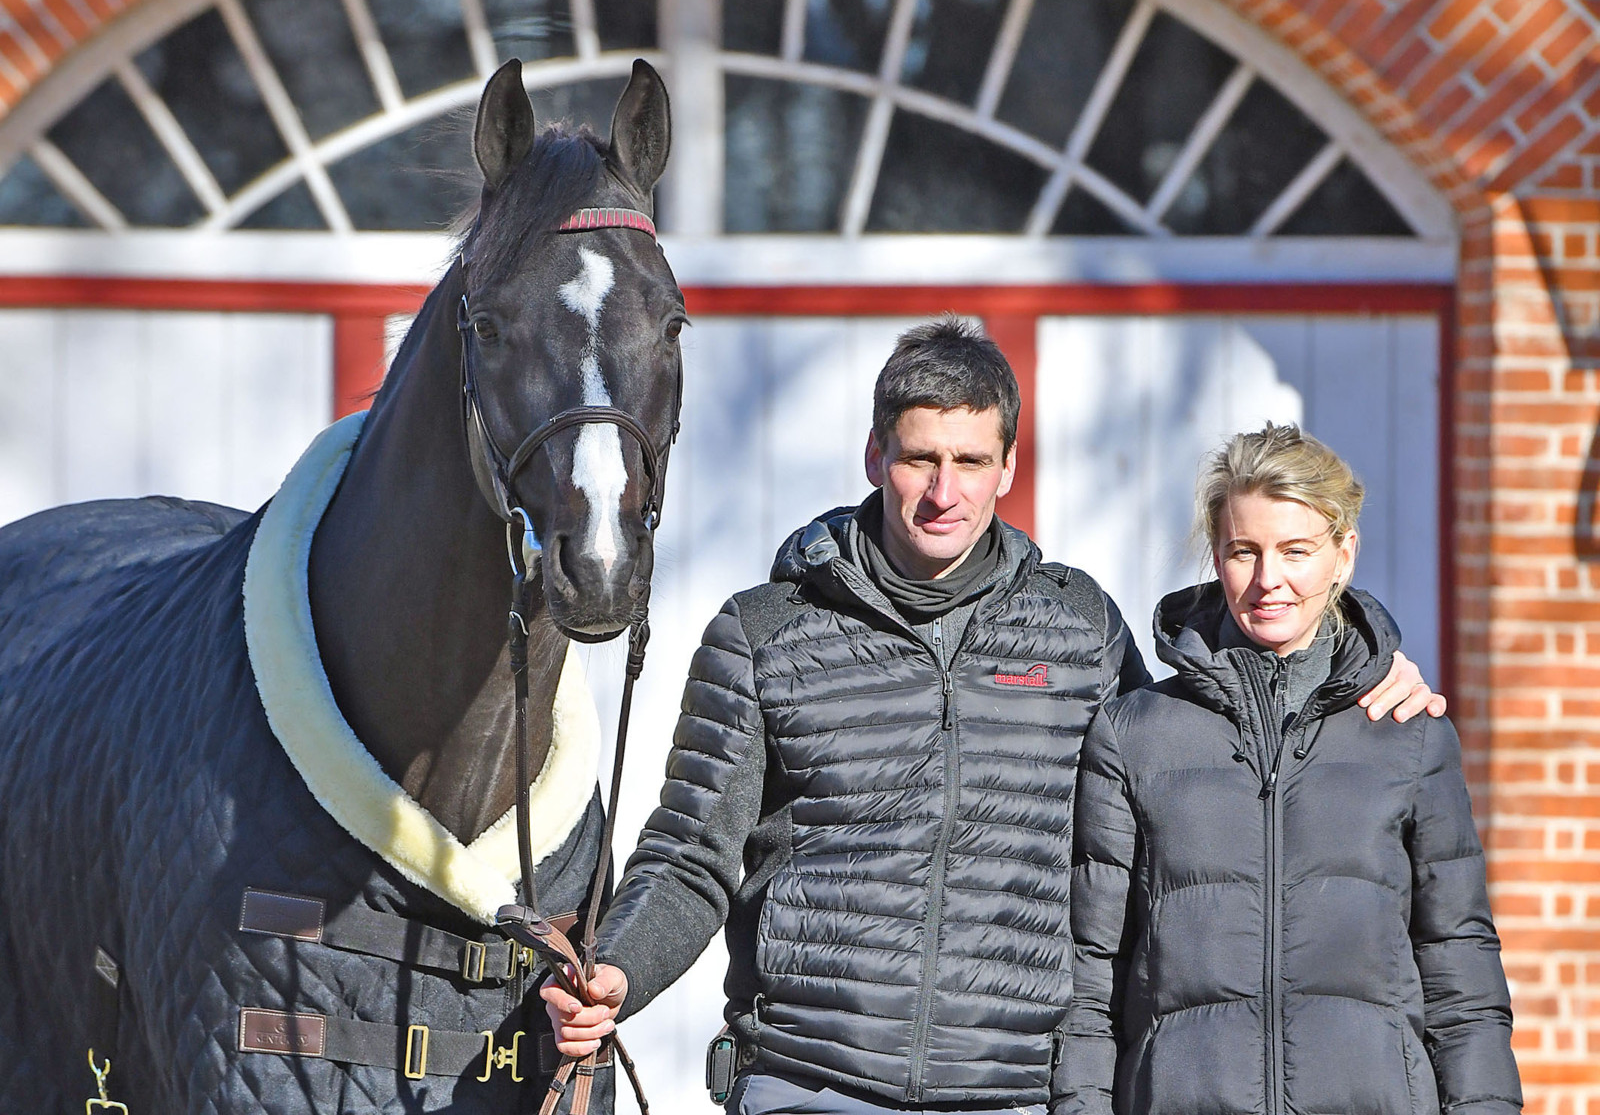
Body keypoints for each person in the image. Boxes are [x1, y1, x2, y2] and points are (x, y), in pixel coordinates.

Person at [546, 322, 1444, 1114]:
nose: (946, 492)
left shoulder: (1079, 628)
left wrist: (1357, 672)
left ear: (1009, 466)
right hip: (808, 1079)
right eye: (920, 458)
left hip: (1017, 1088)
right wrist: (622, 969)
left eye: (972, 462)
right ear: (874, 456)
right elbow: (690, 852)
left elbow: (1197, 769)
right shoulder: (766, 632)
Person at [1061, 423, 1520, 1115]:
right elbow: (1092, 977)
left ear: (1343, 556)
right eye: (1244, 551)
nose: (1268, 580)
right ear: (1216, 558)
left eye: (1296, 551)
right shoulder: (1135, 736)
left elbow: (1461, 967)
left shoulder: (1407, 735)